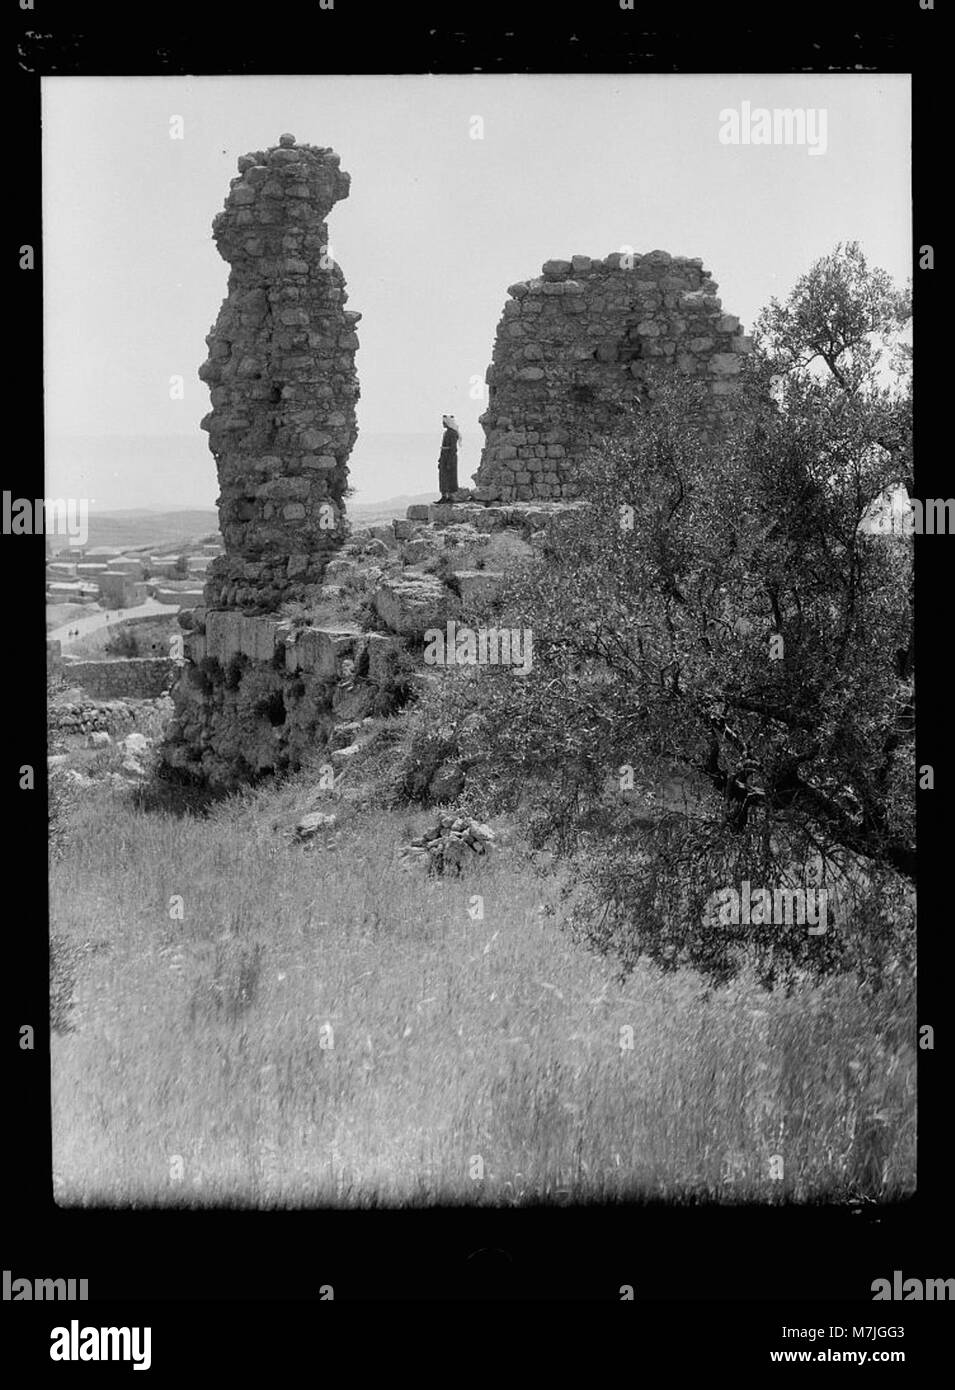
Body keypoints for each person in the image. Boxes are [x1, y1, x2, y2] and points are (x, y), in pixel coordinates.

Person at [437, 414, 461, 503]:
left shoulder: (452, 433)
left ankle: (450, 496)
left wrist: (450, 461)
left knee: (450, 477)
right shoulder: (447, 433)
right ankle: (444, 496)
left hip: (449, 457)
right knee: (443, 476)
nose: (442, 424)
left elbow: (453, 448)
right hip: (444, 457)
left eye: (443, 422)